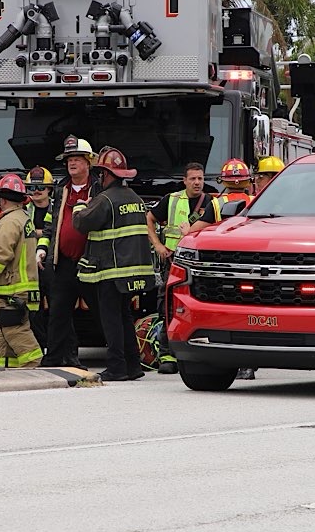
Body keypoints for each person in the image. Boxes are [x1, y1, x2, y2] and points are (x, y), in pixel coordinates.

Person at [73, 147, 155, 381]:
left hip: (110, 272)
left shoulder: (105, 199)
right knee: (124, 318)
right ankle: (133, 366)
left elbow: (82, 224)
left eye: (101, 173)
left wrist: (80, 206)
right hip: (132, 272)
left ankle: (117, 367)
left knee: (111, 321)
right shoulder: (135, 199)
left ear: (107, 175)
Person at [146, 162, 221, 373]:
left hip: (200, 264)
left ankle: (196, 352)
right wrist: (158, 246)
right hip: (173, 263)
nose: (197, 182)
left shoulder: (212, 203)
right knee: (167, 308)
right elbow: (149, 219)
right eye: (193, 179)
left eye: (200, 178)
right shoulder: (171, 200)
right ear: (185, 181)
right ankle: (167, 356)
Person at [38, 136, 100, 368]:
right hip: (63, 261)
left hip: (92, 260)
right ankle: (54, 358)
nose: (72, 163)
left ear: (88, 163)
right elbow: (50, 223)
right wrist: (43, 249)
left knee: (102, 312)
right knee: (58, 313)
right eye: (69, 159)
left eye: (76, 159)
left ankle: (121, 357)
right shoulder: (60, 189)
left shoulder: (98, 188)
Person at [0, 174, 42, 368]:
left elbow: (1, 254)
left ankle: (33, 365)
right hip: (23, 287)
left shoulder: (9, 222)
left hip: (11, 289)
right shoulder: (23, 218)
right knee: (4, 333)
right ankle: (9, 368)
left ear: (2, 199)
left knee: (14, 329)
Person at [25, 166, 54, 351]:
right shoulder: (25, 209)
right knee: (34, 311)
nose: (35, 192)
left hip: (51, 266)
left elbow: (54, 232)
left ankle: (53, 346)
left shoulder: (56, 207)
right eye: (31, 188)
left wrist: (37, 234)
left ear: (49, 189)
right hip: (29, 267)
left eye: (40, 188)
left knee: (54, 309)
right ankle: (40, 345)